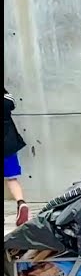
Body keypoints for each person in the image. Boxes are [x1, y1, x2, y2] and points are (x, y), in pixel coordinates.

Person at [4, 87, 29, 227]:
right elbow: (11, 102)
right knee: (12, 178)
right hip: (8, 144)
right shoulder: (7, 100)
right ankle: (21, 202)